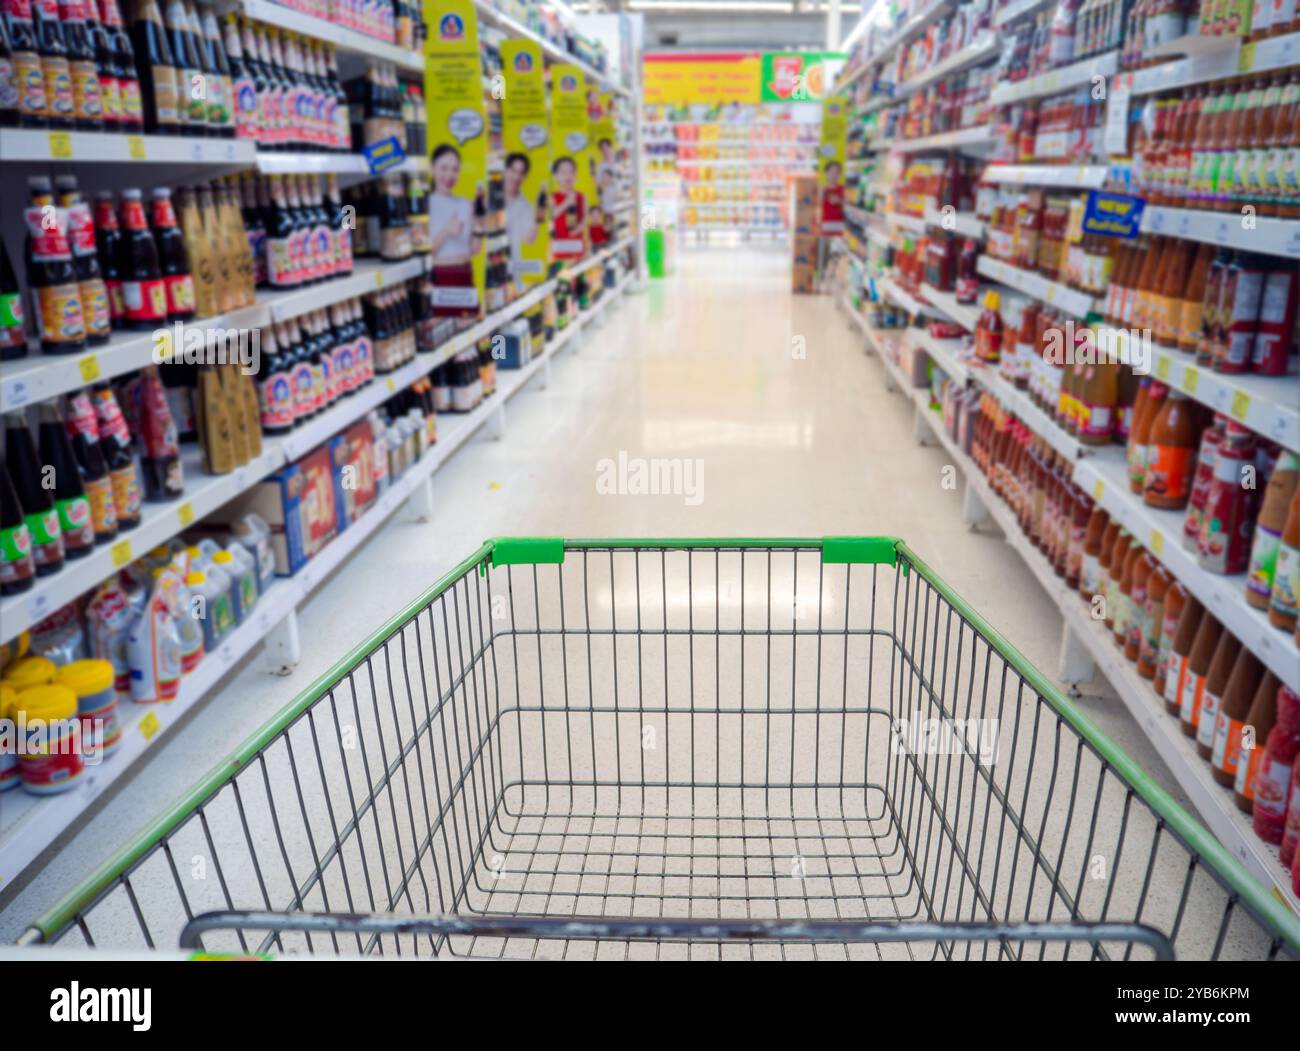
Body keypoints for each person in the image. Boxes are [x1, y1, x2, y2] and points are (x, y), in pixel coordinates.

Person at [428, 144, 482, 317]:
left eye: (455, 169)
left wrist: (479, 225)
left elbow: (475, 249)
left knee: (473, 330)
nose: (449, 175)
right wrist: (446, 230)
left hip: (465, 274)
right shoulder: (425, 205)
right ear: (432, 169)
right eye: (443, 168)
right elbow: (425, 252)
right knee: (444, 331)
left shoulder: (466, 204)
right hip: (441, 278)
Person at [504, 152, 545, 276]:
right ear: (505, 170)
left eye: (521, 173)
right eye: (513, 170)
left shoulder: (526, 206)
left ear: (525, 177)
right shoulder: (489, 193)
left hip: (509, 266)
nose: (516, 177)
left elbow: (528, 239)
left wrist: (538, 218)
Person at [549, 155, 587, 261]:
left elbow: (585, 218)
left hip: (577, 246)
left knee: (579, 274)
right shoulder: (552, 197)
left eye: (571, 172)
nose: (568, 176)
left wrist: (580, 227)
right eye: (563, 172)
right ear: (556, 176)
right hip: (560, 247)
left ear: (576, 175)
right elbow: (552, 215)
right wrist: (566, 203)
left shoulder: (581, 196)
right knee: (562, 275)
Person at [820, 160, 844, 236]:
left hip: (840, 226)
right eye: (831, 171)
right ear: (826, 174)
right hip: (824, 225)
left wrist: (840, 201)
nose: (834, 174)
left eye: (837, 172)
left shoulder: (845, 190)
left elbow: (850, 209)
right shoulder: (821, 189)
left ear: (840, 174)